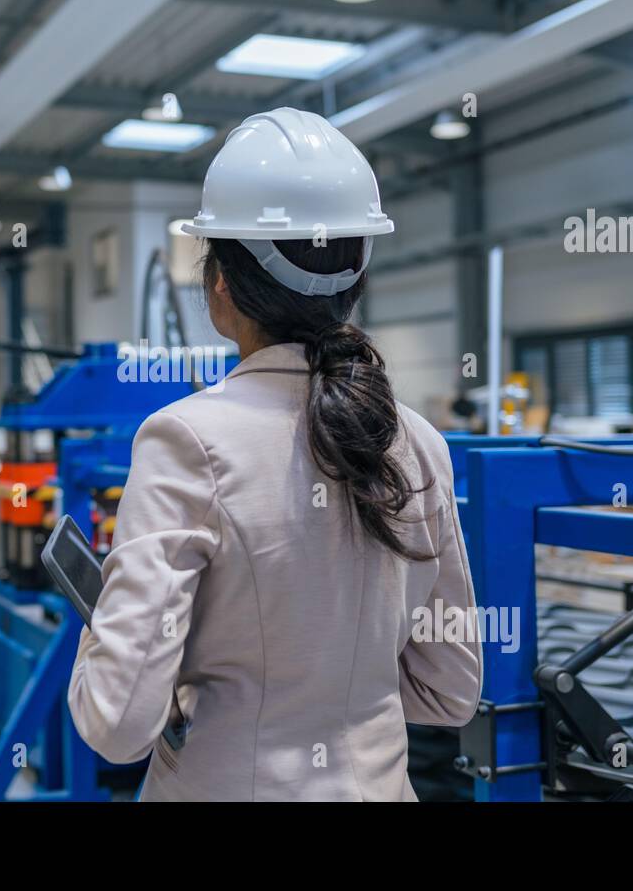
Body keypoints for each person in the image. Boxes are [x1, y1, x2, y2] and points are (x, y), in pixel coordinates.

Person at [68, 107, 482, 801]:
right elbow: (451, 691)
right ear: (358, 276)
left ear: (222, 285)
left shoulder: (184, 440)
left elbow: (115, 724)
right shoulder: (419, 442)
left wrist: (111, 628)